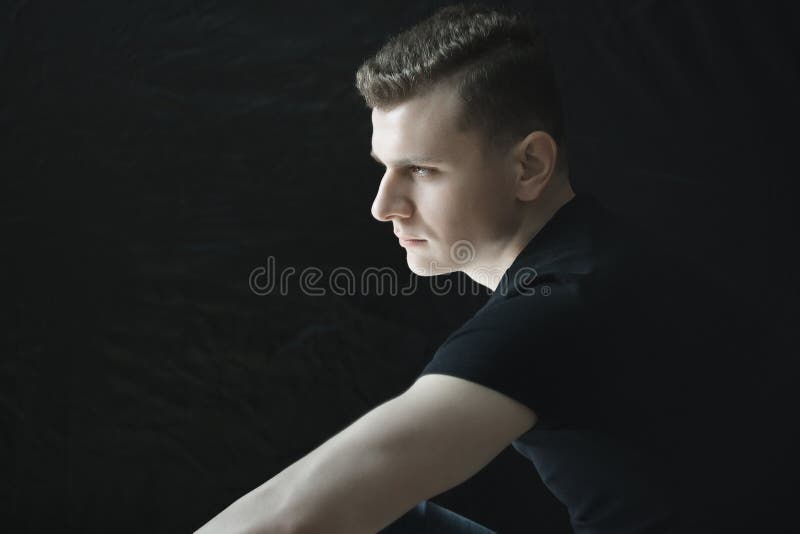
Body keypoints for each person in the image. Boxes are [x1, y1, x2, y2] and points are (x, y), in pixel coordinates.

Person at [196, 4, 758, 533]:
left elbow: (292, 516)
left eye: (421, 169)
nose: (383, 205)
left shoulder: (558, 306)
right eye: (385, 168)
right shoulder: (597, 256)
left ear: (529, 165)